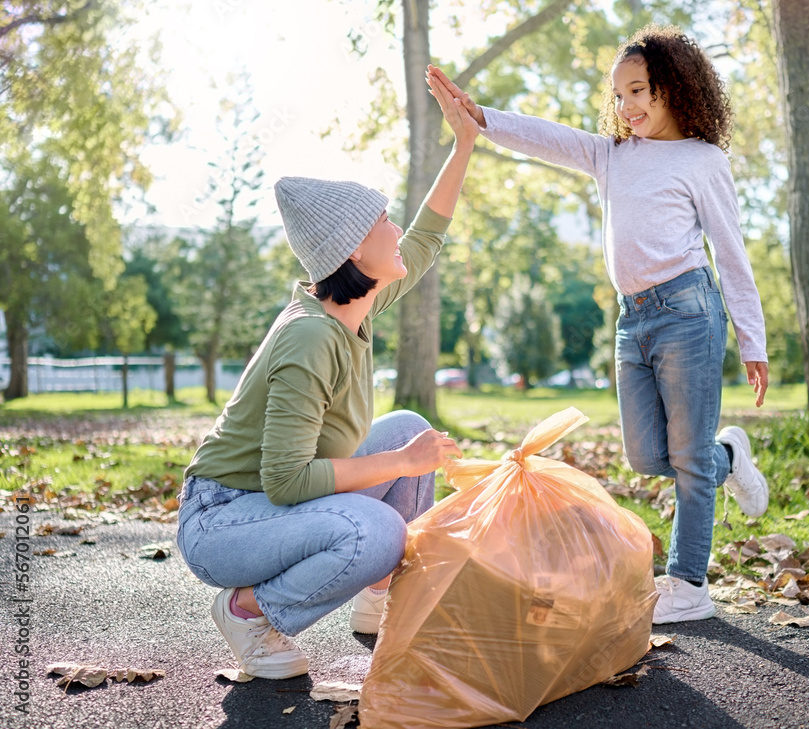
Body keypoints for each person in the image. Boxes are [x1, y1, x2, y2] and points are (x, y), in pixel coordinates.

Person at [428, 24, 769, 624]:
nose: (627, 106)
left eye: (639, 90)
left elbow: (731, 252)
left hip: (689, 313)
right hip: (632, 320)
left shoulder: (702, 160)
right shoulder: (610, 155)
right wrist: (481, 116)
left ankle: (689, 584)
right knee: (645, 455)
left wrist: (752, 338)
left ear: (676, 87)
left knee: (685, 458)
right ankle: (728, 459)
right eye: (618, 95)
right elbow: (547, 137)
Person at [175, 69, 479, 679]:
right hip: (223, 520)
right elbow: (285, 482)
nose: (397, 231)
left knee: (406, 427)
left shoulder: (357, 306)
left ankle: (376, 599)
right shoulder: (311, 336)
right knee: (382, 525)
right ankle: (246, 610)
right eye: (383, 224)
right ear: (352, 254)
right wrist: (401, 465)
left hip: (265, 504)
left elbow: (427, 234)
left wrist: (464, 144)